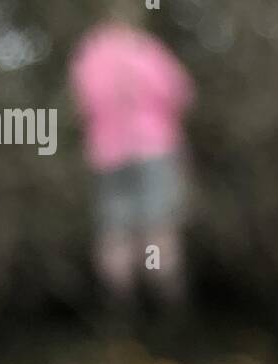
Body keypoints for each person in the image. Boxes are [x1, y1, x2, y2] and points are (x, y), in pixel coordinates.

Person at [69, 2, 195, 316]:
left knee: (114, 233)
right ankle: (169, 310)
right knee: (158, 229)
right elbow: (181, 93)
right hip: (153, 148)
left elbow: (80, 106)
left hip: (107, 156)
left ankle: (120, 312)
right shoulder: (145, 47)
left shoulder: (88, 54)